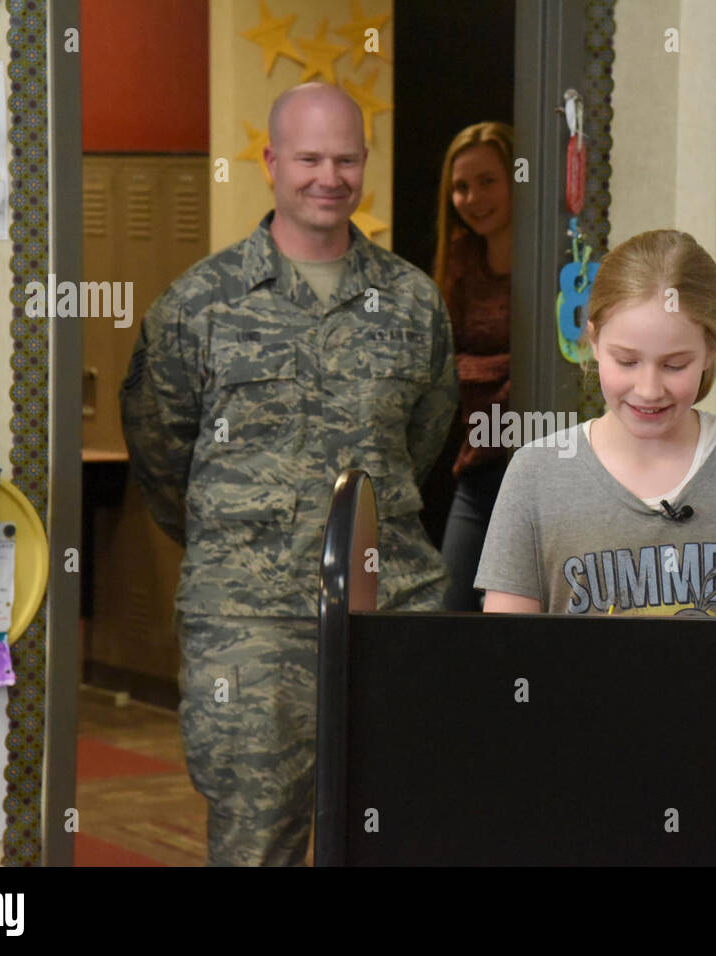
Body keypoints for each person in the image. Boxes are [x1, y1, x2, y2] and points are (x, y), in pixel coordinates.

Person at [119, 82, 457, 865]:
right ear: (270, 161)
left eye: (345, 159)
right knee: (256, 841)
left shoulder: (412, 303)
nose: (328, 177)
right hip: (248, 623)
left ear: (364, 164)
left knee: (396, 832)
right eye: (308, 158)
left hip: (389, 610)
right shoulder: (198, 306)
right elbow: (163, 460)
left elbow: (422, 441)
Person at [475, 229, 716, 618]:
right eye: (626, 361)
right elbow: (506, 654)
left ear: (711, 350)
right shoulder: (535, 474)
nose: (648, 389)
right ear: (592, 340)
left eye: (674, 365)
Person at [432, 122, 514, 611]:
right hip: (478, 465)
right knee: (451, 615)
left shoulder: (549, 259)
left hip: (536, 462)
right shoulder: (460, 259)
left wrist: (485, 376)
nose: (472, 197)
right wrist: (500, 374)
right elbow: (443, 368)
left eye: (487, 181)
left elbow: (549, 366)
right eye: (461, 186)